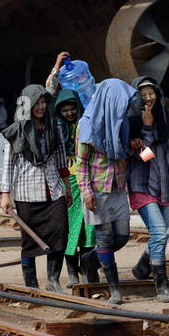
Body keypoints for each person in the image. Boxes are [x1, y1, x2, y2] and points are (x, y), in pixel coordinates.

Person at [0, 84, 69, 292]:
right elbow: (8, 164)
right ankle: (31, 285)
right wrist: (5, 195)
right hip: (26, 193)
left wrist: (67, 186)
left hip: (54, 190)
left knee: (60, 233)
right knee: (29, 241)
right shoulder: (16, 130)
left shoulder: (53, 126)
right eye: (36, 103)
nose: (40, 107)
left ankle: (53, 281)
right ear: (27, 104)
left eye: (43, 102)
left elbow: (61, 158)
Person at [76, 77, 138, 304]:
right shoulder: (87, 124)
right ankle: (115, 290)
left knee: (121, 236)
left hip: (118, 187)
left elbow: (122, 153)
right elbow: (81, 163)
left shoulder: (122, 123)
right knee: (104, 237)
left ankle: (90, 260)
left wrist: (133, 147)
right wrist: (87, 192)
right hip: (97, 190)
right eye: (120, 103)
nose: (124, 108)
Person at [126, 77, 169, 301]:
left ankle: (141, 266)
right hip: (143, 185)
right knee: (159, 232)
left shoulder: (164, 119)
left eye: (151, 93)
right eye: (143, 94)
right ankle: (162, 286)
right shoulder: (130, 122)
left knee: (165, 232)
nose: (148, 98)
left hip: (164, 187)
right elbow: (143, 157)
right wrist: (146, 127)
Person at [53, 86, 99, 287]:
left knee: (89, 227)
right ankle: (72, 274)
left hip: (88, 180)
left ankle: (87, 270)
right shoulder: (56, 129)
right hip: (67, 182)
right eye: (64, 110)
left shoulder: (88, 124)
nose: (69, 113)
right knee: (70, 227)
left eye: (72, 108)